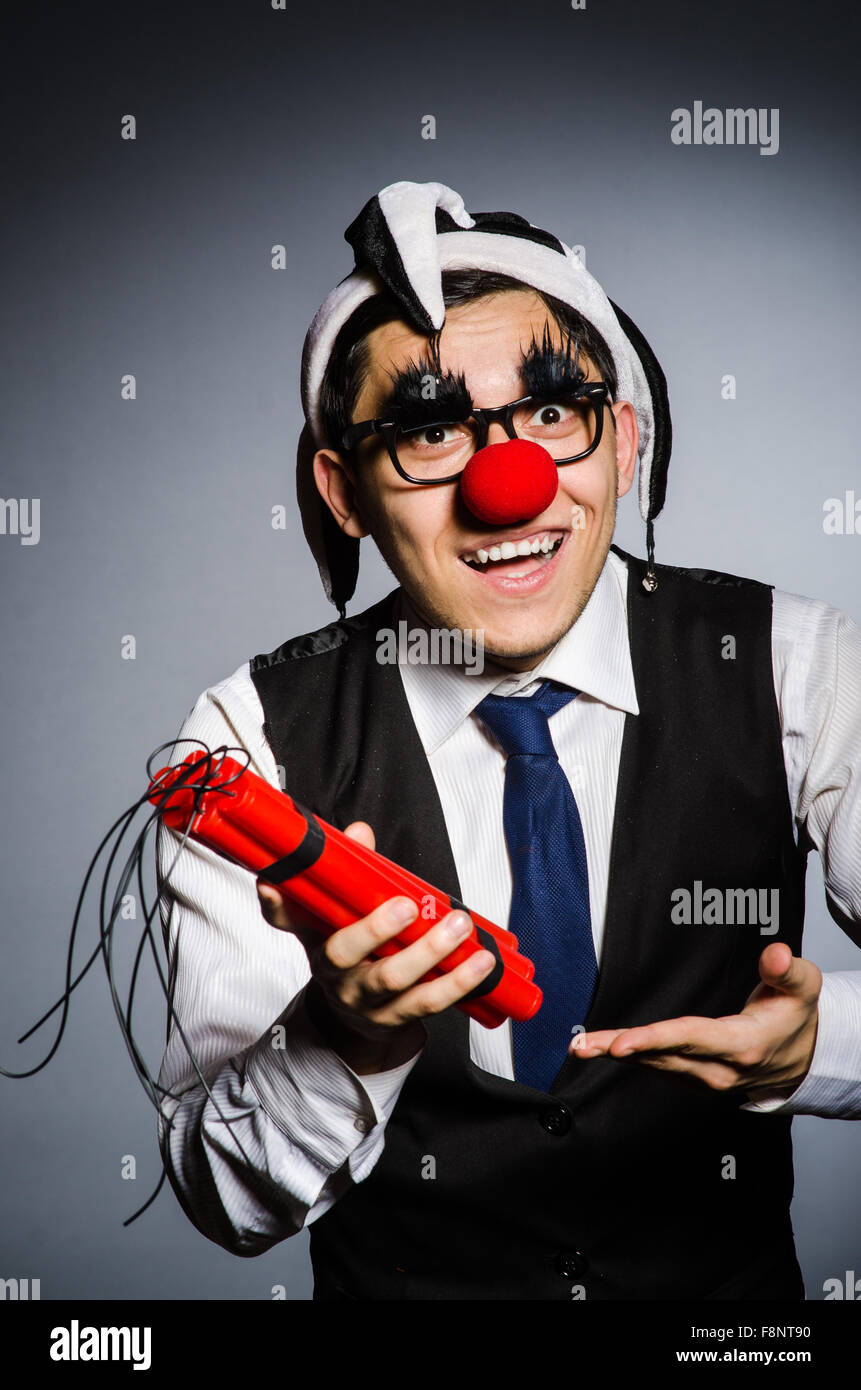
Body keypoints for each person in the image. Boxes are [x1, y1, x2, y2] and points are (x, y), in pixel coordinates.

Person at [156, 180, 861, 1300]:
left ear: (622, 440)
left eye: (550, 413)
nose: (509, 483)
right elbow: (220, 1198)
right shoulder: (244, 740)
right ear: (342, 491)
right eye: (431, 429)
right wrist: (348, 1036)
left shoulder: (797, 661)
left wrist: (817, 1050)